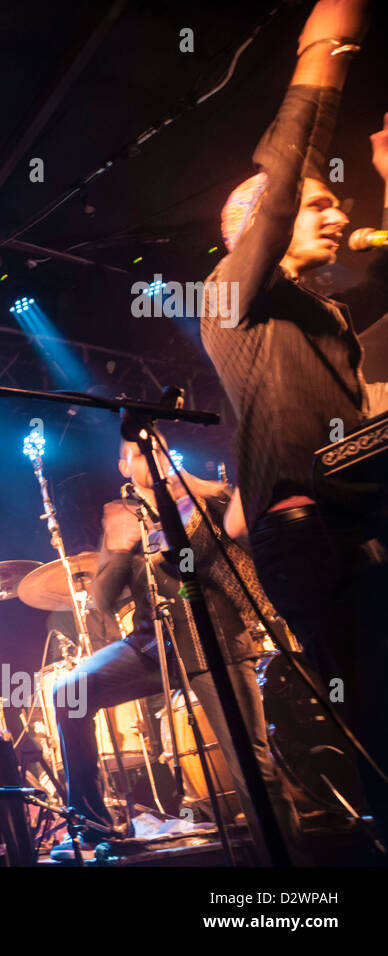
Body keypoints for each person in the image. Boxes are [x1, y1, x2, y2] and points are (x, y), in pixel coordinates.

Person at [198, 0, 388, 842]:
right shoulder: (231, 296)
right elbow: (275, 193)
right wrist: (325, 54)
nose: (338, 215)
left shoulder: (329, 319)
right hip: (309, 535)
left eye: (337, 205)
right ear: (249, 234)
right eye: (320, 208)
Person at [50, 434, 303, 863]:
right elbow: (104, 599)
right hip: (153, 646)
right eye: (135, 452)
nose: (146, 457)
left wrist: (201, 488)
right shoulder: (121, 514)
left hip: (215, 643)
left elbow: (245, 535)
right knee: (68, 693)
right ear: (123, 467)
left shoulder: (205, 497)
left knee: (254, 770)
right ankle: (91, 826)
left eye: (154, 446)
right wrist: (117, 547)